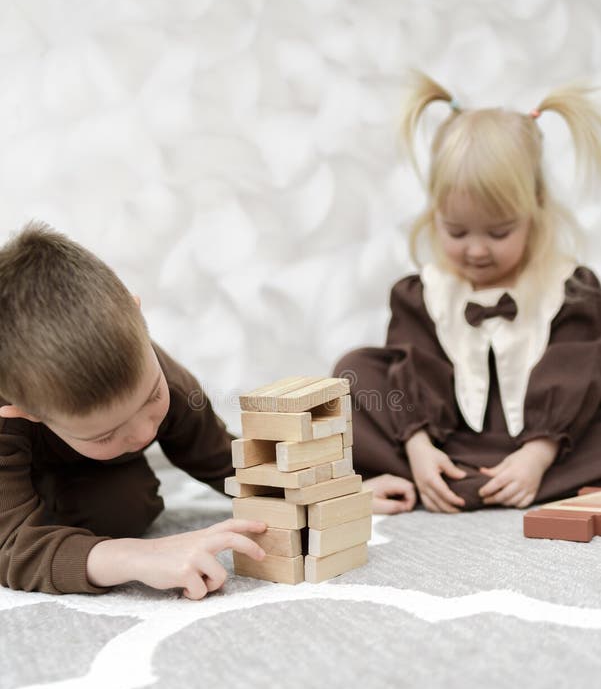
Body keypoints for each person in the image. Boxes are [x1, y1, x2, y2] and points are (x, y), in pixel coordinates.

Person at [334, 71, 601, 513]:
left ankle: (523, 477)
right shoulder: (425, 293)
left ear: (534, 210)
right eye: (456, 231)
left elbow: (575, 374)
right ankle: (430, 475)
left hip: (555, 445)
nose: (476, 250)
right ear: (434, 214)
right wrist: (419, 448)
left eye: (499, 232)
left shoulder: (569, 288)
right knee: (353, 371)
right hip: (451, 444)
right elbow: (411, 369)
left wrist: (537, 454)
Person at [0, 222, 268, 598]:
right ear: (24, 412)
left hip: (82, 475)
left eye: (151, 399)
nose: (144, 434)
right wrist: (136, 556)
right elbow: (9, 548)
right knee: (55, 542)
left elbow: (221, 456)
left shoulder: (158, 373)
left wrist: (313, 490)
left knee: (126, 506)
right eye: (105, 434)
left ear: (139, 316)